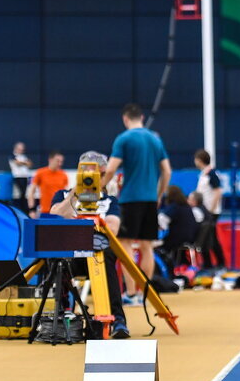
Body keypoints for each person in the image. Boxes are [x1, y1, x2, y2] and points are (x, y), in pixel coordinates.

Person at [49, 151, 129, 339]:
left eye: (100, 174)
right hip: (70, 254)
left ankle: (117, 319)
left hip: (97, 256)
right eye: (89, 174)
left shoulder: (109, 200)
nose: (95, 178)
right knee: (54, 253)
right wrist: (74, 194)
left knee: (108, 251)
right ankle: (62, 314)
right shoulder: (62, 195)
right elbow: (53, 218)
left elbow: (113, 229)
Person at [101, 103, 172, 301]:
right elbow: (167, 171)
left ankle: (131, 292)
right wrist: (158, 195)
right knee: (147, 246)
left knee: (125, 245)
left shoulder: (123, 139)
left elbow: (111, 169)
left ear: (125, 119)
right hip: (150, 199)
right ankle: (145, 293)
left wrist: (99, 188)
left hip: (130, 199)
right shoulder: (155, 140)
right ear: (141, 117)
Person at [157, 186, 200, 272]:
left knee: (158, 245)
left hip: (177, 239)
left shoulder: (174, 207)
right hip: (191, 238)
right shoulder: (188, 207)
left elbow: (161, 221)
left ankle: (163, 268)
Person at [27, 150, 67, 218]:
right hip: (45, 211)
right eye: (57, 161)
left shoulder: (63, 175)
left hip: (59, 213)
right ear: (50, 160)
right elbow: (31, 192)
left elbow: (65, 195)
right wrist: (32, 209)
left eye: (61, 162)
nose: (59, 164)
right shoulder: (41, 173)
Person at [193, 149, 223, 216]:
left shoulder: (211, 174)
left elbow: (218, 192)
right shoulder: (203, 174)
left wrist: (212, 210)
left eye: (195, 159)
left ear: (199, 160)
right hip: (204, 210)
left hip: (210, 211)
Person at [8, 141, 33, 211]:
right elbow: (17, 163)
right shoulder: (13, 156)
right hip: (18, 176)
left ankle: (24, 207)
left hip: (25, 176)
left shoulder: (23, 156)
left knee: (24, 193)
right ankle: (20, 207)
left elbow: (30, 164)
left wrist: (23, 163)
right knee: (20, 193)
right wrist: (25, 163)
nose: (21, 150)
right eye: (20, 149)